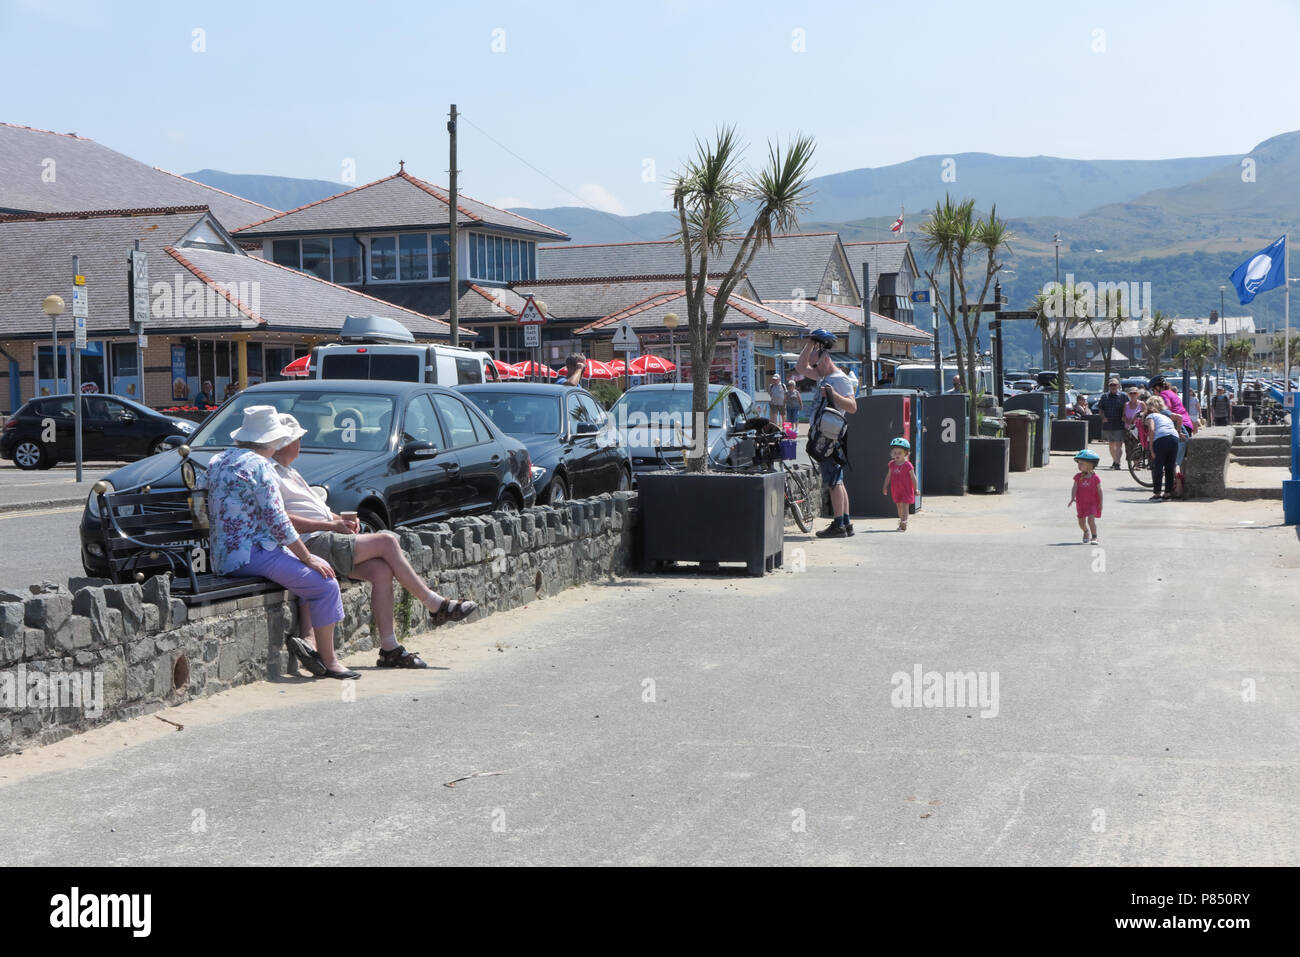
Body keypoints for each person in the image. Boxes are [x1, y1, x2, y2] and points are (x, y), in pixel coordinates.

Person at [271, 414, 478, 670]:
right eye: (298, 439)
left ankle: (389, 648)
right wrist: (331, 525)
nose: (301, 444)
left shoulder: (290, 472)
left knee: (381, 570)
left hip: (325, 537)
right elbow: (280, 518)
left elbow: (317, 511)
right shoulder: (273, 474)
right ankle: (435, 605)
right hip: (312, 542)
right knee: (388, 541)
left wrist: (340, 521)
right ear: (286, 442)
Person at [203, 405, 357, 679]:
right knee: (325, 583)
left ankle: (315, 648)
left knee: (316, 571)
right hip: (253, 554)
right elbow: (277, 521)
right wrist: (306, 557)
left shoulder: (219, 460)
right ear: (273, 440)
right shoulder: (261, 465)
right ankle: (329, 660)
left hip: (224, 555)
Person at [796, 329, 858, 538]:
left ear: (825, 361)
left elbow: (852, 406)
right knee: (837, 480)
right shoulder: (823, 375)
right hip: (825, 433)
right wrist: (811, 344)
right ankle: (846, 523)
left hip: (830, 436)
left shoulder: (839, 380)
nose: (812, 368)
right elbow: (800, 366)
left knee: (833, 482)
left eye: (815, 365)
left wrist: (833, 394)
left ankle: (839, 524)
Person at [1143, 396, 1180, 501]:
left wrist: (1151, 448)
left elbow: (1152, 429)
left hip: (1161, 439)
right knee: (1169, 467)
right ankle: (1167, 493)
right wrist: (1178, 432)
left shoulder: (1150, 416)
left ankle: (1157, 493)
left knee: (1158, 467)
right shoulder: (1165, 416)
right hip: (1174, 438)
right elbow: (1179, 418)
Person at [881, 437, 918, 532]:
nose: (897, 455)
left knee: (905, 506)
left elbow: (913, 477)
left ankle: (904, 522)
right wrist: (885, 486)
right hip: (896, 489)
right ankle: (901, 520)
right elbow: (888, 476)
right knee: (899, 506)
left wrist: (916, 489)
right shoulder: (892, 464)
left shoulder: (908, 465)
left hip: (906, 489)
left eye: (899, 453)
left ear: (906, 453)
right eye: (895, 452)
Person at [1068, 449, 1103, 543]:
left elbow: (1100, 491)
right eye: (1078, 463)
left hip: (1092, 503)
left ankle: (1095, 537)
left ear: (1090, 465)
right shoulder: (1077, 477)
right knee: (1081, 522)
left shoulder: (1095, 478)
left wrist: (1101, 503)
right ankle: (1086, 531)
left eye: (1081, 463)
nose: (1079, 465)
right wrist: (1072, 498)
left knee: (1091, 520)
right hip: (1081, 503)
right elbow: (1074, 487)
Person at [1096, 379, 1127, 470]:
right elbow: (1100, 409)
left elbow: (1128, 407)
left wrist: (1126, 417)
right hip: (1108, 424)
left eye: (1115, 385)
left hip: (1119, 423)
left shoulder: (1123, 396)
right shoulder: (1104, 397)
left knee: (1118, 444)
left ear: (1118, 386)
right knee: (1111, 444)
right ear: (1109, 386)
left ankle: (1117, 463)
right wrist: (1103, 417)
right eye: (1111, 385)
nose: (1113, 387)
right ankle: (1115, 460)